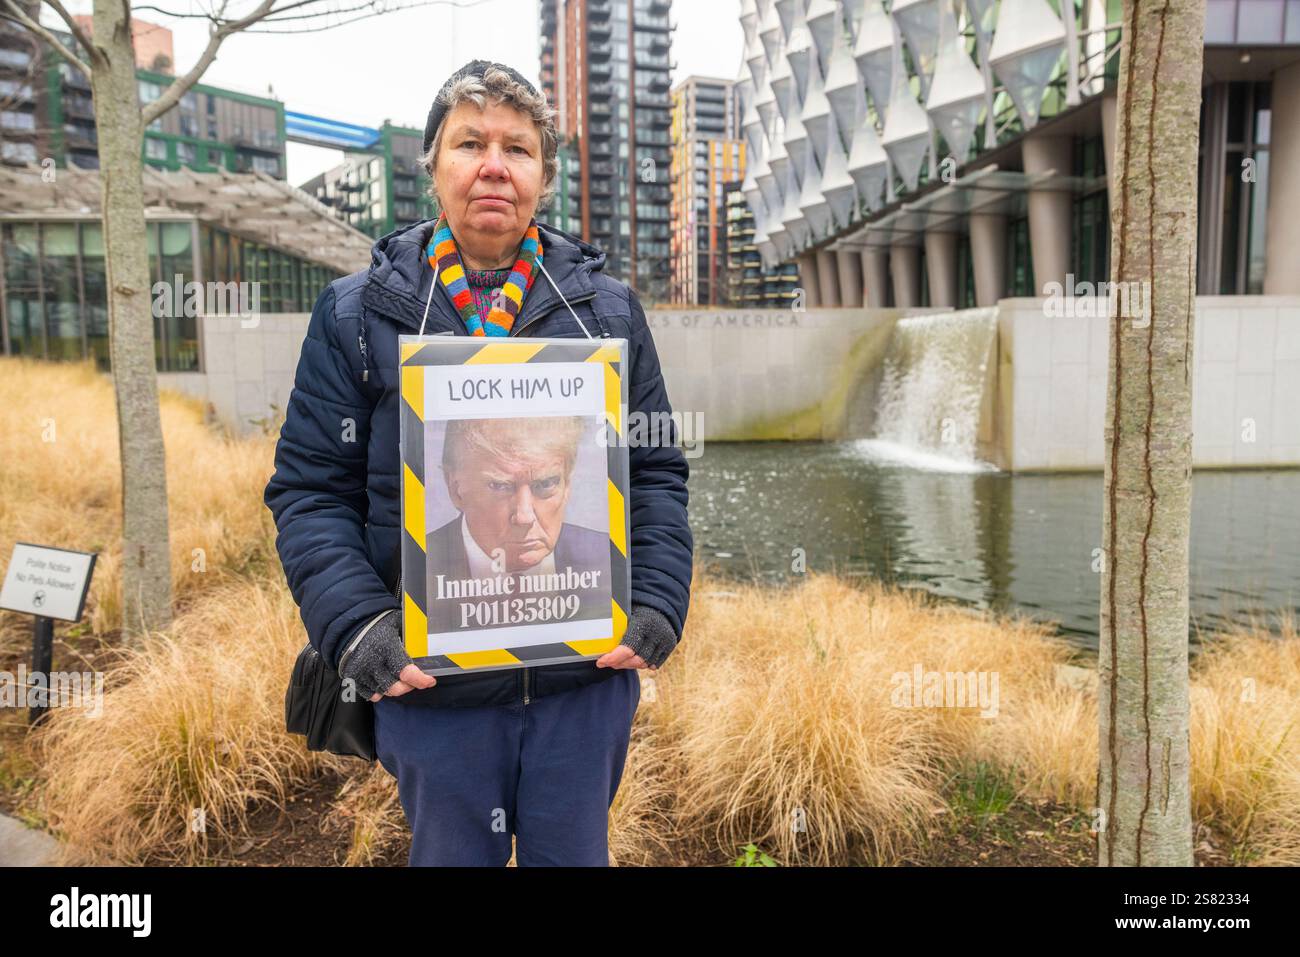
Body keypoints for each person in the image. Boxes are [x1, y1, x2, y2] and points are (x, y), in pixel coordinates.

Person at [263, 59, 693, 866]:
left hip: (581, 688)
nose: (494, 165)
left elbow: (658, 473)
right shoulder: (358, 315)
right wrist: (358, 627)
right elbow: (311, 489)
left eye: (519, 148)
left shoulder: (606, 312)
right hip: (434, 691)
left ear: (544, 175)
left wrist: (661, 599)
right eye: (470, 143)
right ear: (432, 166)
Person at [424, 415, 610, 636]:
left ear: (567, 484)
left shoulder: (609, 560)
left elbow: (653, 475)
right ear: (456, 488)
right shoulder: (416, 566)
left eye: (546, 484)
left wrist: (652, 604)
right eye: (500, 486)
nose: (524, 516)